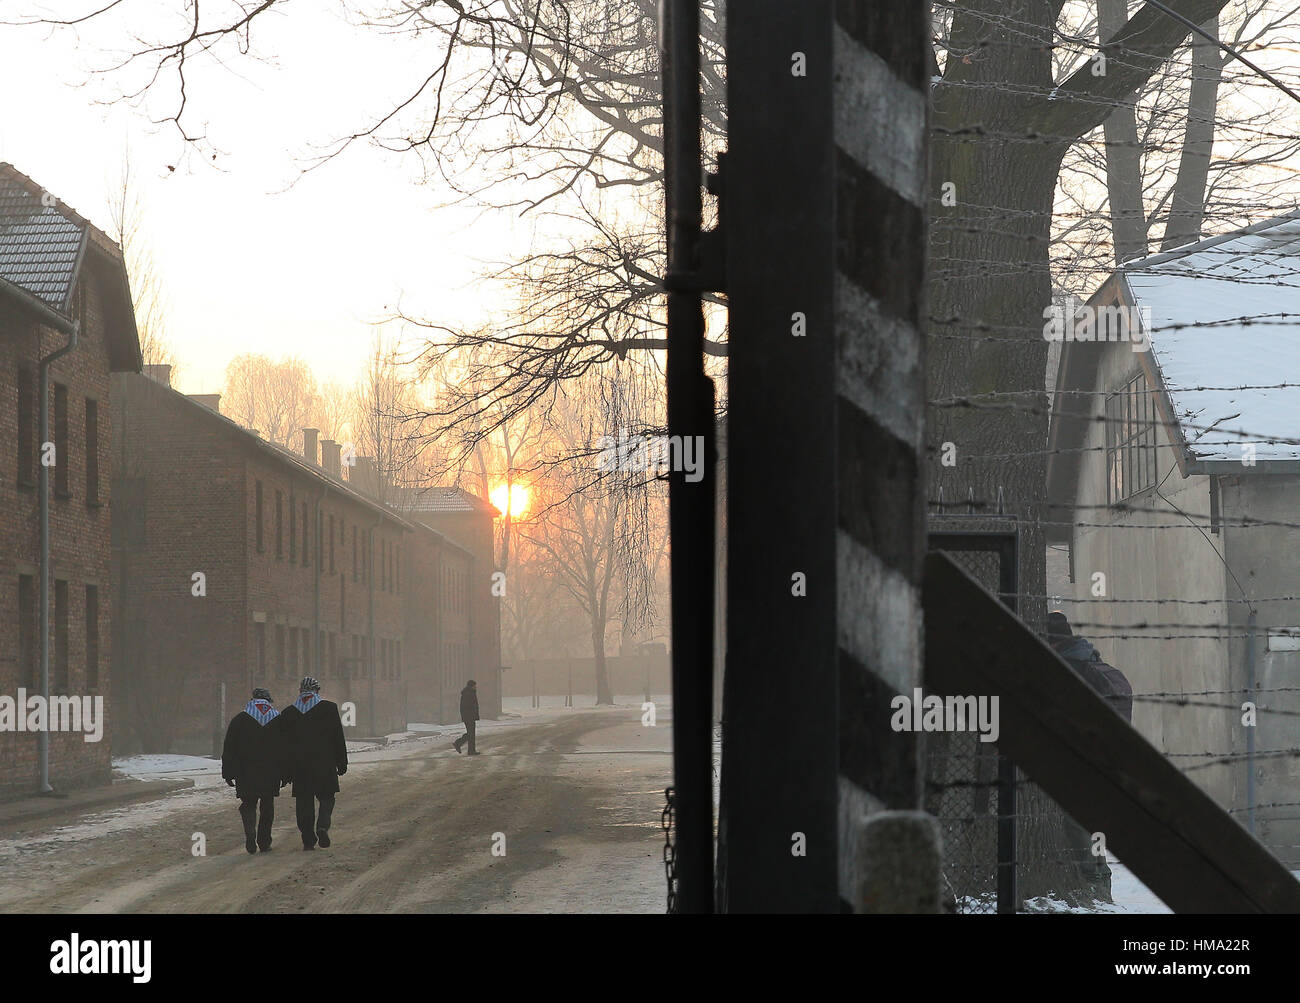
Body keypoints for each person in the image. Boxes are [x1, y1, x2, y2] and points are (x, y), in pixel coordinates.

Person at [1047, 610, 1134, 899]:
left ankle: (1089, 881)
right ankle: (1101, 880)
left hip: (1079, 756)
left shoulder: (1068, 667)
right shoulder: (1090, 660)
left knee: (1075, 818)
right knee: (1091, 819)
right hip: (1106, 757)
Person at [279, 676, 348, 850]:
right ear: (317, 691)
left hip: (300, 767)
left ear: (300, 691)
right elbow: (337, 738)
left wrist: (285, 771)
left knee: (304, 803)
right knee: (327, 798)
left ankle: (308, 839)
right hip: (325, 764)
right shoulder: (329, 708)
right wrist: (342, 762)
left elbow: (284, 745)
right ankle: (322, 826)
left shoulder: (289, 713)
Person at [221, 687, 288, 854]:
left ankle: (250, 834)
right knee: (267, 806)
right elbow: (286, 748)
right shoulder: (279, 720)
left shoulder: (239, 720)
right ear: (268, 701)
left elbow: (229, 748)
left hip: (245, 772)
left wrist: (228, 773)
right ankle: (264, 842)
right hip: (271, 771)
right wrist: (286, 772)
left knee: (248, 804)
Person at [453, 679, 480, 755]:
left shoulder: (469, 693)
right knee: (471, 734)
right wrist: (472, 715)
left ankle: (468, 749)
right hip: (469, 717)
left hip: (469, 716)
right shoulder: (469, 694)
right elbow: (468, 706)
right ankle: (462, 745)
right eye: (475, 686)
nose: (476, 687)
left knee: (470, 734)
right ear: (471, 686)